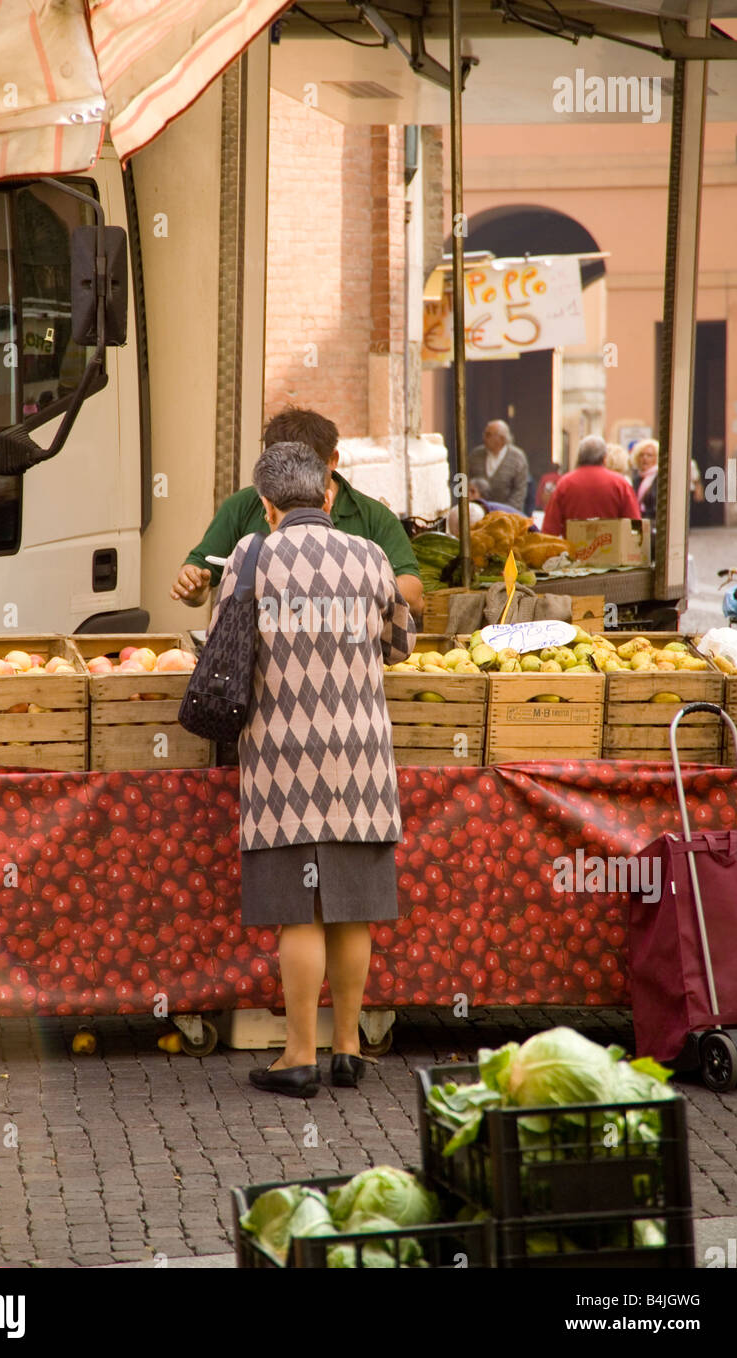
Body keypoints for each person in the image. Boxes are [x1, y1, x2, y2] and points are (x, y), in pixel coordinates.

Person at [207, 442, 415, 1098]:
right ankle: (349, 1049)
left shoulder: (253, 555)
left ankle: (297, 1056)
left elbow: (223, 644)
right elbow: (400, 642)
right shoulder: (371, 556)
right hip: (359, 757)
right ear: (327, 497)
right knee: (353, 910)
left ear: (267, 507)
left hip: (282, 758)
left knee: (300, 913)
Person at [171, 406, 423, 620]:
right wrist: (193, 587)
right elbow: (200, 577)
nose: (296, 478)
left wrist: (335, 597)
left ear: (333, 460)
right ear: (268, 508)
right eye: (283, 468)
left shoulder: (373, 516)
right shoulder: (241, 506)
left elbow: (412, 594)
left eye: (308, 468)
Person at [542, 435, 642, 537]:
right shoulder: (619, 483)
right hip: (612, 549)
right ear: (604, 458)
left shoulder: (565, 483)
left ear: (579, 456)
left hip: (575, 549)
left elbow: (550, 528)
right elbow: (634, 525)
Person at [467, 420, 529, 511]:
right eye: (484, 434)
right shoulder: (475, 455)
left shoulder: (518, 458)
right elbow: (463, 480)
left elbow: (519, 492)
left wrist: (501, 513)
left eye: (488, 434)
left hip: (507, 516)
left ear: (502, 438)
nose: (484, 437)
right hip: (476, 513)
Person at [630, 438, 659, 520]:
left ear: (656, 458)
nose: (644, 458)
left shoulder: (659, 478)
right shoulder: (635, 479)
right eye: (641, 455)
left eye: (649, 455)